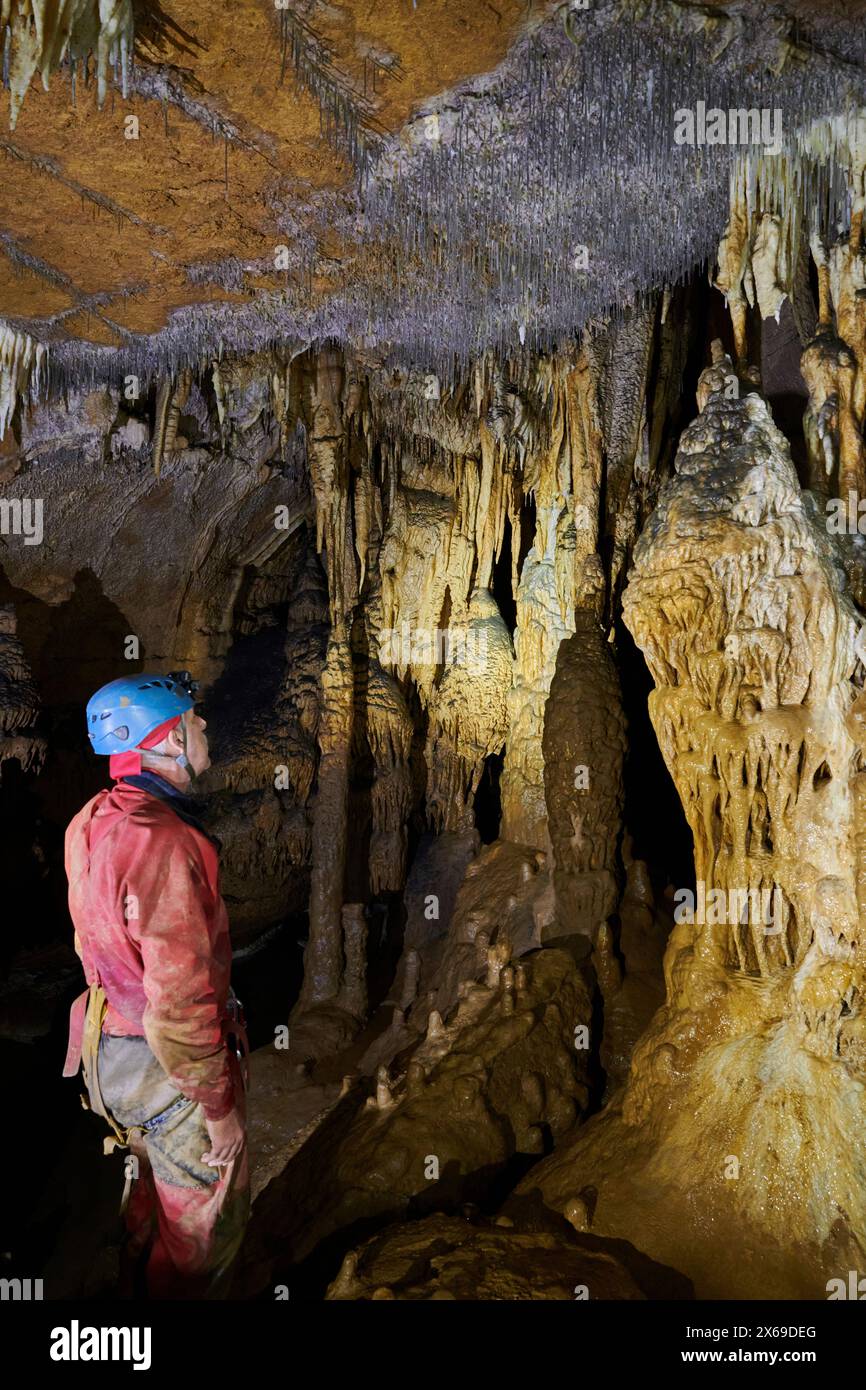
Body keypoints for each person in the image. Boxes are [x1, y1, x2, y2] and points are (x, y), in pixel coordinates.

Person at [63, 672, 249, 1298]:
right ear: (165, 740)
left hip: (107, 1057)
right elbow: (179, 1002)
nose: (205, 730)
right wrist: (220, 1110)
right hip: (164, 1067)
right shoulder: (164, 843)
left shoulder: (89, 823)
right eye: (194, 722)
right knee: (202, 1237)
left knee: (143, 1195)